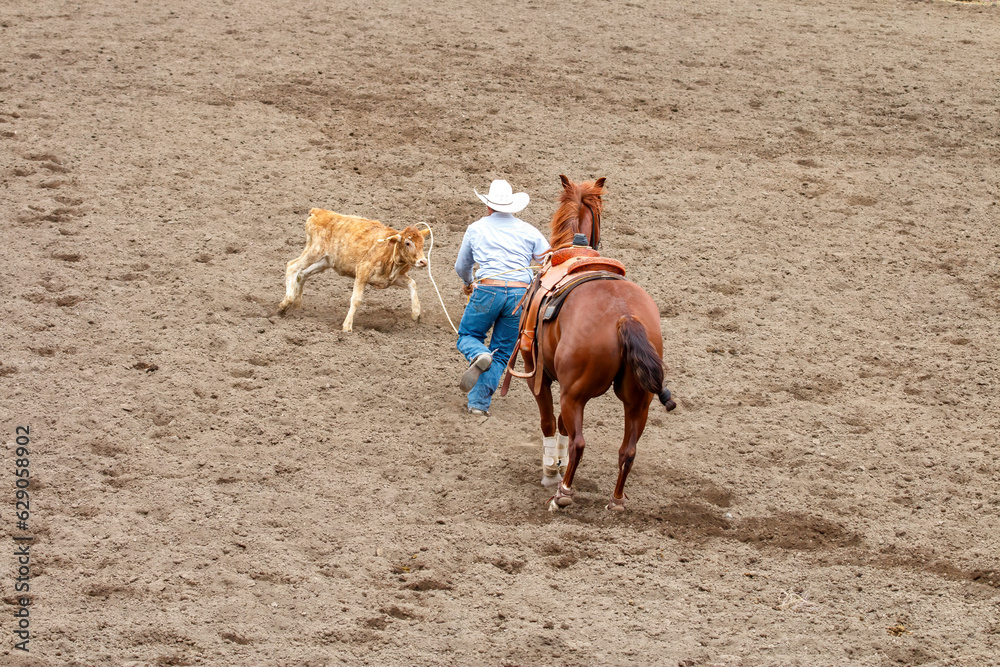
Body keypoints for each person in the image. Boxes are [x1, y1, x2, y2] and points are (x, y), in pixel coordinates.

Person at [455, 179, 550, 416]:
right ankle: (478, 404)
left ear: (488, 206)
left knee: (467, 335)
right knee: (502, 351)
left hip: (488, 289)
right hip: (520, 295)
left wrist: (468, 282)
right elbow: (548, 261)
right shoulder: (529, 230)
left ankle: (478, 353)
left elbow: (461, 266)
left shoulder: (476, 228)